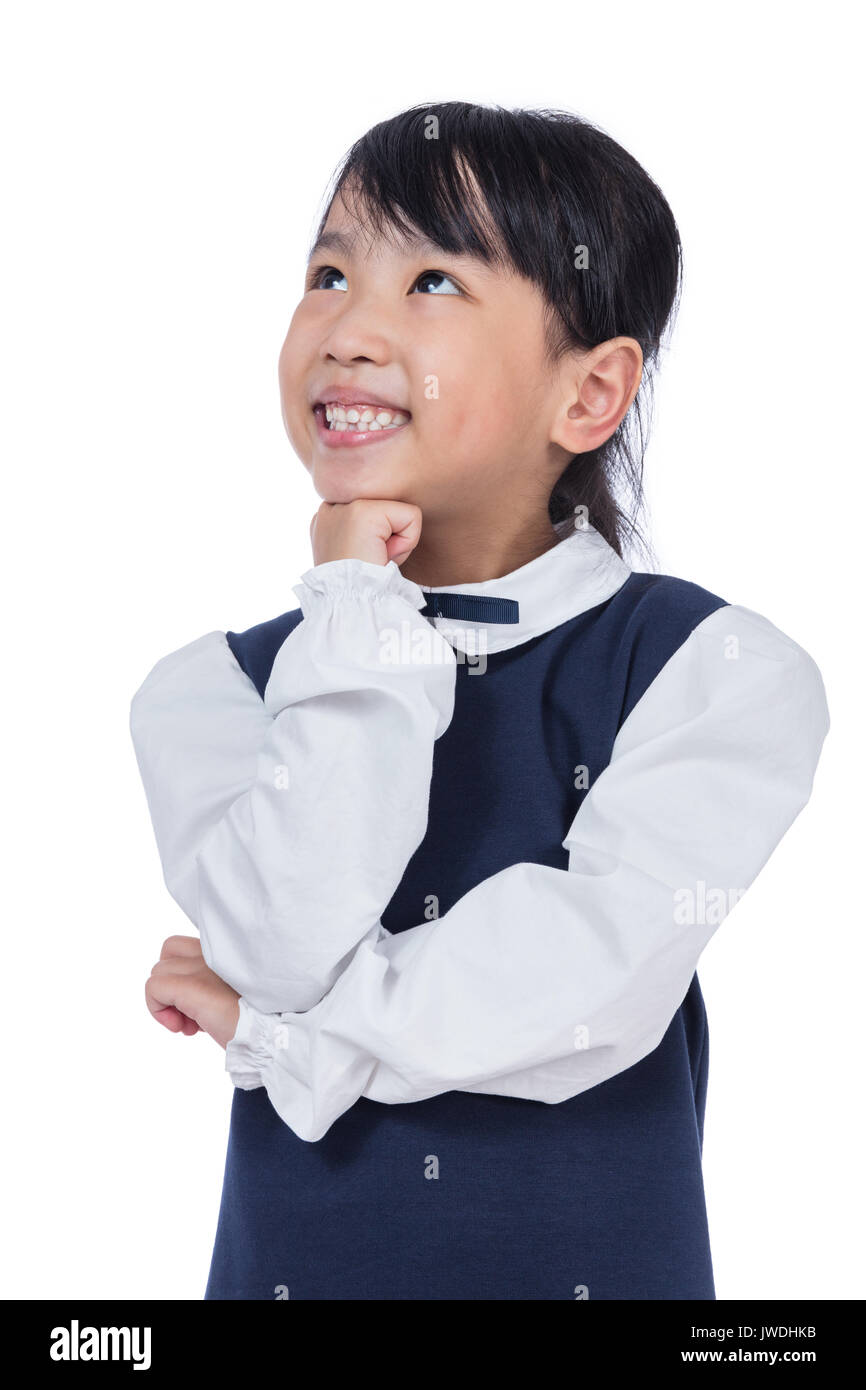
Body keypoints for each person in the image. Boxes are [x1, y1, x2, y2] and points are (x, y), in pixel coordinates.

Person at [130, 101, 830, 1300]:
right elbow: (279, 940)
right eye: (330, 270)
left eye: (433, 281)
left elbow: (577, 992)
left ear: (589, 394)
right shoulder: (212, 693)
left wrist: (279, 1038)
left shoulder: (711, 673)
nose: (348, 327)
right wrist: (352, 602)